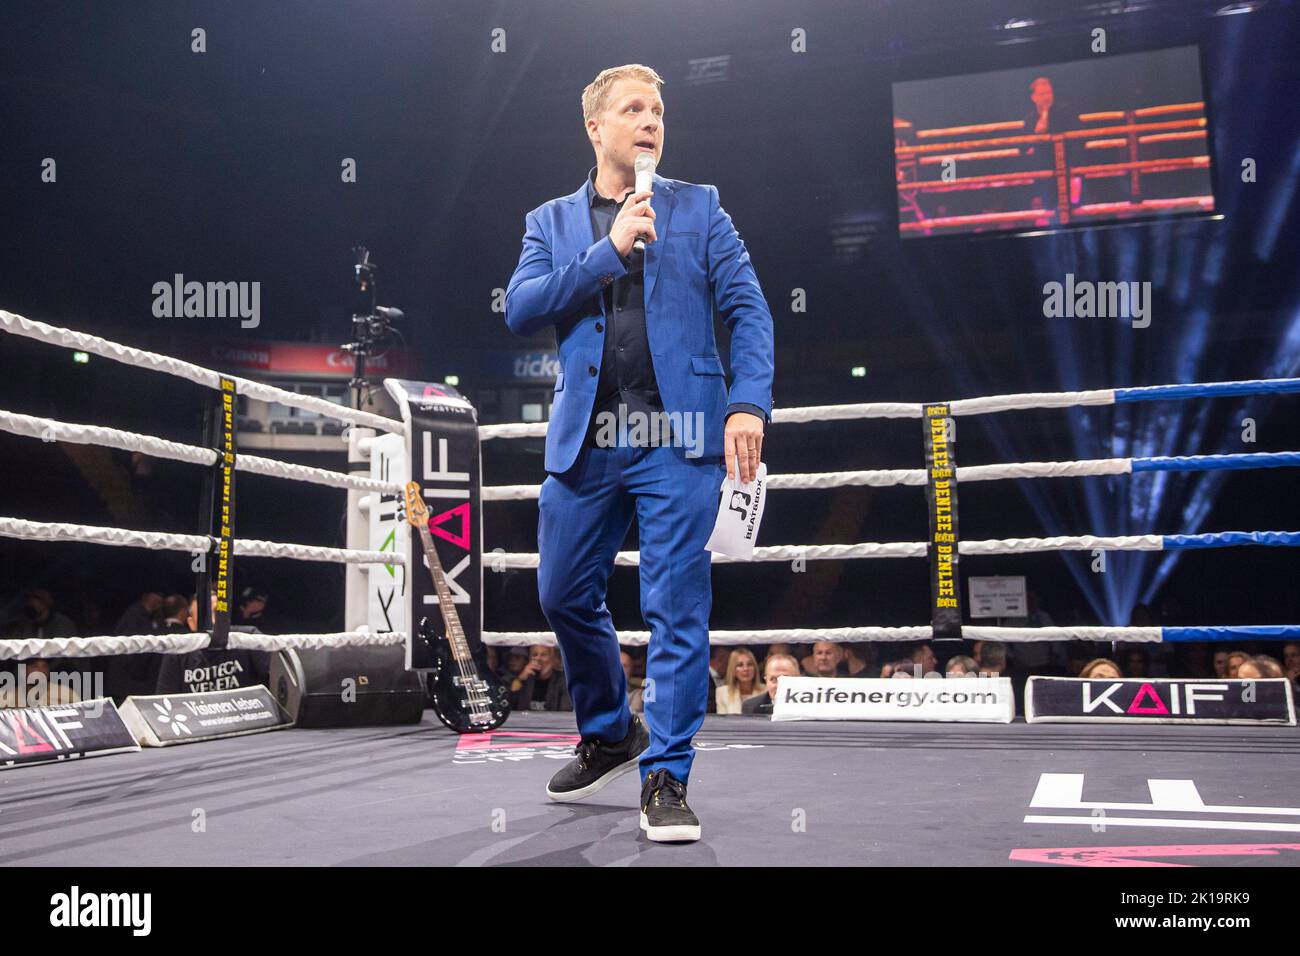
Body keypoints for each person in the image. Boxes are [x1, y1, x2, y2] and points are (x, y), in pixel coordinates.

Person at [506, 64, 774, 843]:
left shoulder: (701, 208)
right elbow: (522, 307)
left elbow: (749, 310)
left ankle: (667, 772)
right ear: (596, 128)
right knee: (560, 593)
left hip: (676, 435)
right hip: (589, 440)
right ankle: (608, 731)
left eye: (658, 108)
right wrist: (608, 249)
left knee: (675, 609)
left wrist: (747, 404)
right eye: (633, 108)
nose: (651, 119)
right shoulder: (550, 221)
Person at [507, 644, 571, 712]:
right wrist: (520, 679)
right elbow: (510, 703)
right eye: (534, 655)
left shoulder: (562, 681)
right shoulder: (525, 679)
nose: (538, 658)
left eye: (543, 655)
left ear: (552, 658)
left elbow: (565, 711)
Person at [715, 648, 765, 714]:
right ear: (733, 669)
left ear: (755, 668)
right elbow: (721, 722)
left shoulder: (766, 691)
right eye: (740, 665)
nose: (745, 669)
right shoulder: (722, 692)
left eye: (749, 664)